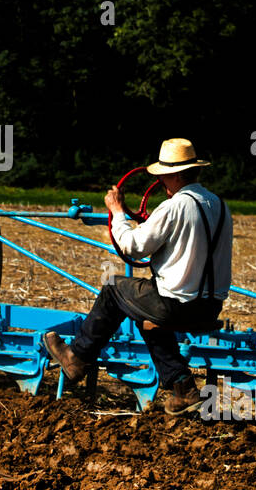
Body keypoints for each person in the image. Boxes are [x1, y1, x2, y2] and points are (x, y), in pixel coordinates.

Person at [42, 138, 231, 409]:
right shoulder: (220, 206)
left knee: (114, 289)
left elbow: (133, 246)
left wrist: (118, 213)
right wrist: (148, 223)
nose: (163, 182)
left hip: (177, 304)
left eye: (165, 176)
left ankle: (76, 357)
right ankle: (183, 388)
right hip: (210, 307)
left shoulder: (175, 206)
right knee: (148, 317)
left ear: (176, 175)